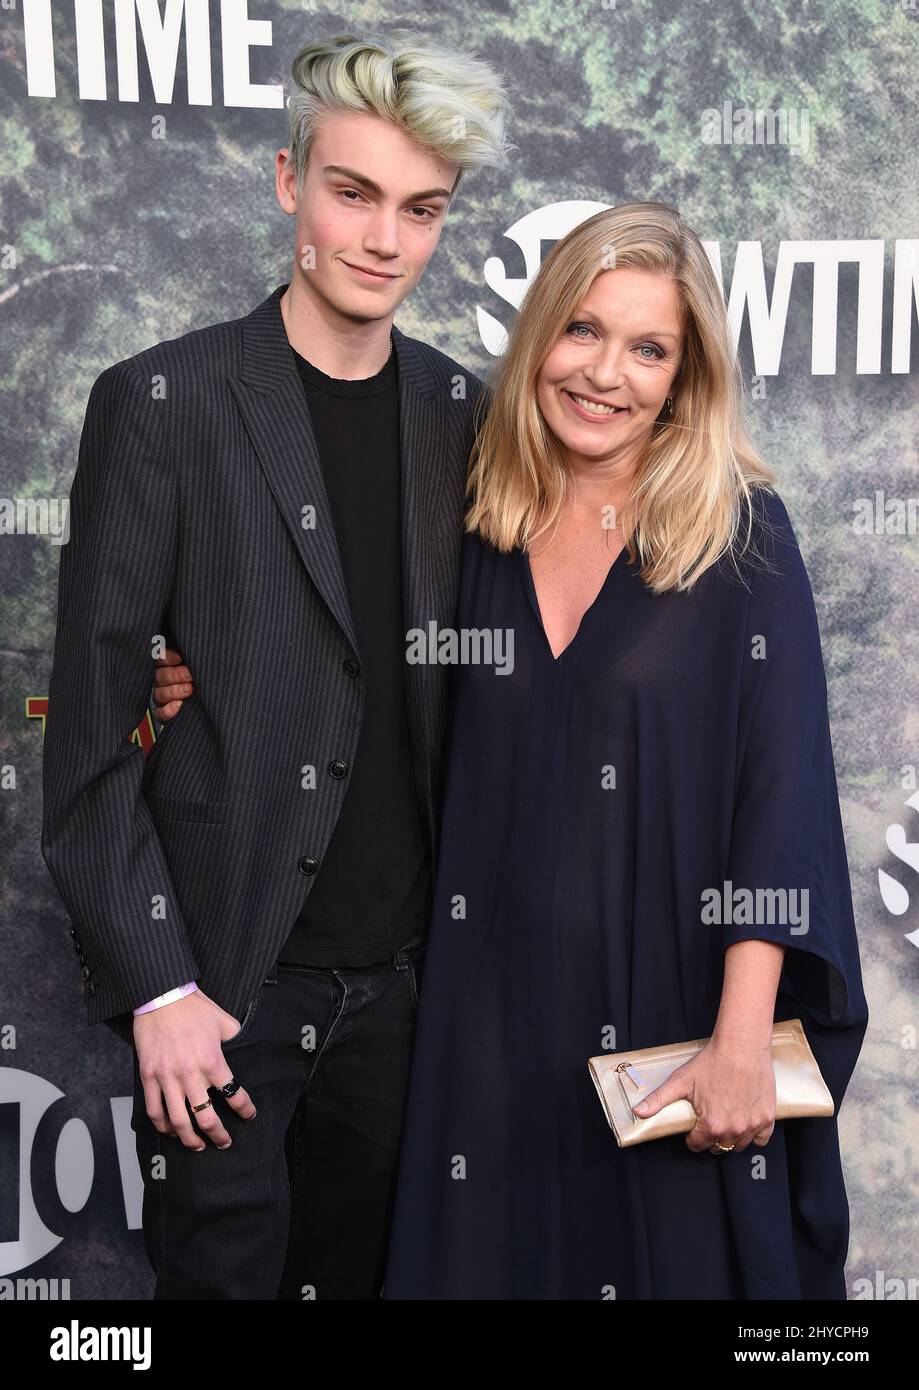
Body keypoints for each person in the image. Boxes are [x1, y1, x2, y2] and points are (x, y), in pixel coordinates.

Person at [162, 202, 869, 1299]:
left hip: (669, 1014)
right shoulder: (470, 520)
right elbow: (348, 672)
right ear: (539, 337)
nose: (606, 373)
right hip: (479, 1015)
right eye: (582, 330)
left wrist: (741, 1034)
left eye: (649, 349)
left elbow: (779, 803)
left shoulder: (739, 537)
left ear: (685, 378)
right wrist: (191, 679)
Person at [40, 33, 512, 1300]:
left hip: (408, 994)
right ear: (285, 181)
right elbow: (86, 750)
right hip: (227, 990)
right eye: (352, 192)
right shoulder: (160, 405)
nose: (382, 238)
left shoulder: (462, 416)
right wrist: (163, 992)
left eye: (421, 209)